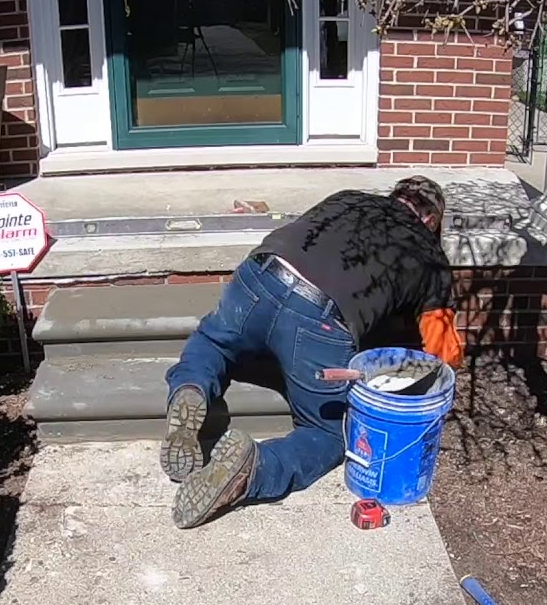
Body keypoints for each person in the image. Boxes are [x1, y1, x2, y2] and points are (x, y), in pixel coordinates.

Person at [162, 176, 465, 529]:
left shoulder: (349, 198)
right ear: (431, 220)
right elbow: (442, 355)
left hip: (258, 278)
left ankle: (191, 389)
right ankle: (254, 468)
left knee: (212, 342)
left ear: (396, 197)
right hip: (317, 322)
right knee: (330, 434)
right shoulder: (429, 253)